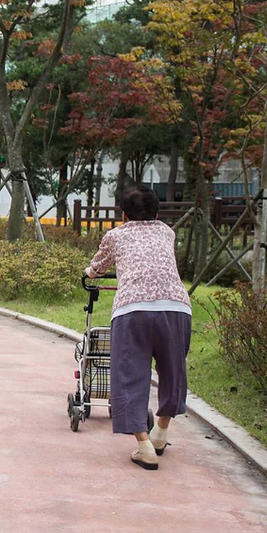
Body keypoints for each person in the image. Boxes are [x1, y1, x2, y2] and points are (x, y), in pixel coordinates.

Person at [84, 185, 191, 471]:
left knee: (130, 374)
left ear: (123, 215)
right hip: (176, 308)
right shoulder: (167, 232)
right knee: (173, 371)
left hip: (133, 311)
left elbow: (98, 267)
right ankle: (161, 432)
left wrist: (89, 273)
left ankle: (144, 447)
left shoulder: (115, 236)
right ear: (157, 213)